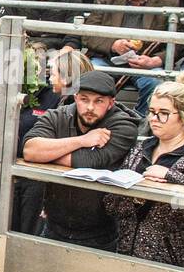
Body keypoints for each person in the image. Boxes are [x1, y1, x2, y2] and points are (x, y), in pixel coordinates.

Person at [22, 71, 141, 251]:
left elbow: (90, 160)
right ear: (76, 98)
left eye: (99, 101)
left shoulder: (124, 125)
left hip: (101, 232)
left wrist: (49, 155)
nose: (90, 107)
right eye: (84, 99)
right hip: (54, 225)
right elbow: (30, 150)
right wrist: (81, 141)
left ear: (111, 103)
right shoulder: (58, 116)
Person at [106, 78, 184, 270]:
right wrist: (134, 197)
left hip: (173, 263)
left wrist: (172, 179)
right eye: (152, 112)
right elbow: (112, 204)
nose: (154, 119)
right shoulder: (140, 148)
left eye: (163, 113)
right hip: (125, 252)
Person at [82, 0, 180, 116]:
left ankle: (138, 125)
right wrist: (113, 44)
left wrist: (156, 60)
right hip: (107, 59)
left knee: (157, 86)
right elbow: (87, 35)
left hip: (146, 62)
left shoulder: (169, 4)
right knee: (92, 80)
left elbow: (178, 42)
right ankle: (99, 121)